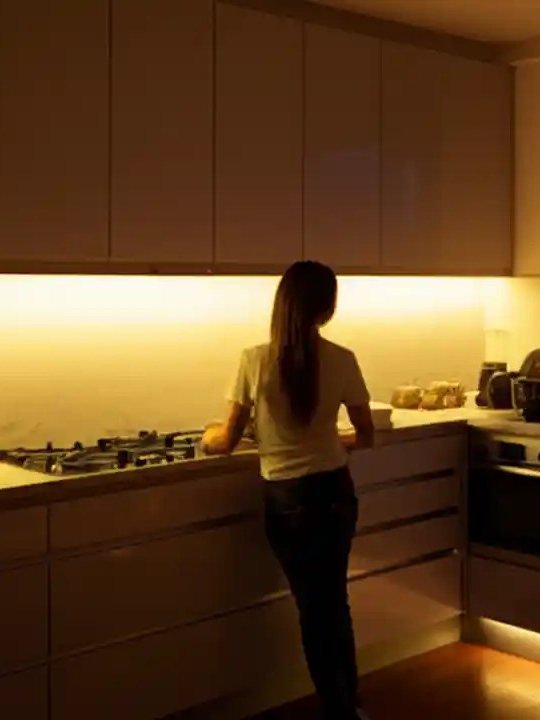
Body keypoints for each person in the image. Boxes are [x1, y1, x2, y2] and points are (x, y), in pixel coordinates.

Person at [202, 260, 374, 720]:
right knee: (333, 600)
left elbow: (226, 441)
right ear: (328, 308)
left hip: (289, 503)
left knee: (312, 608)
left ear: (282, 304)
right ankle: (350, 704)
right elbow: (366, 433)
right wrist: (324, 439)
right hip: (336, 492)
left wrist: (205, 436)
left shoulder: (253, 360)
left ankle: (339, 710)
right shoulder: (343, 358)